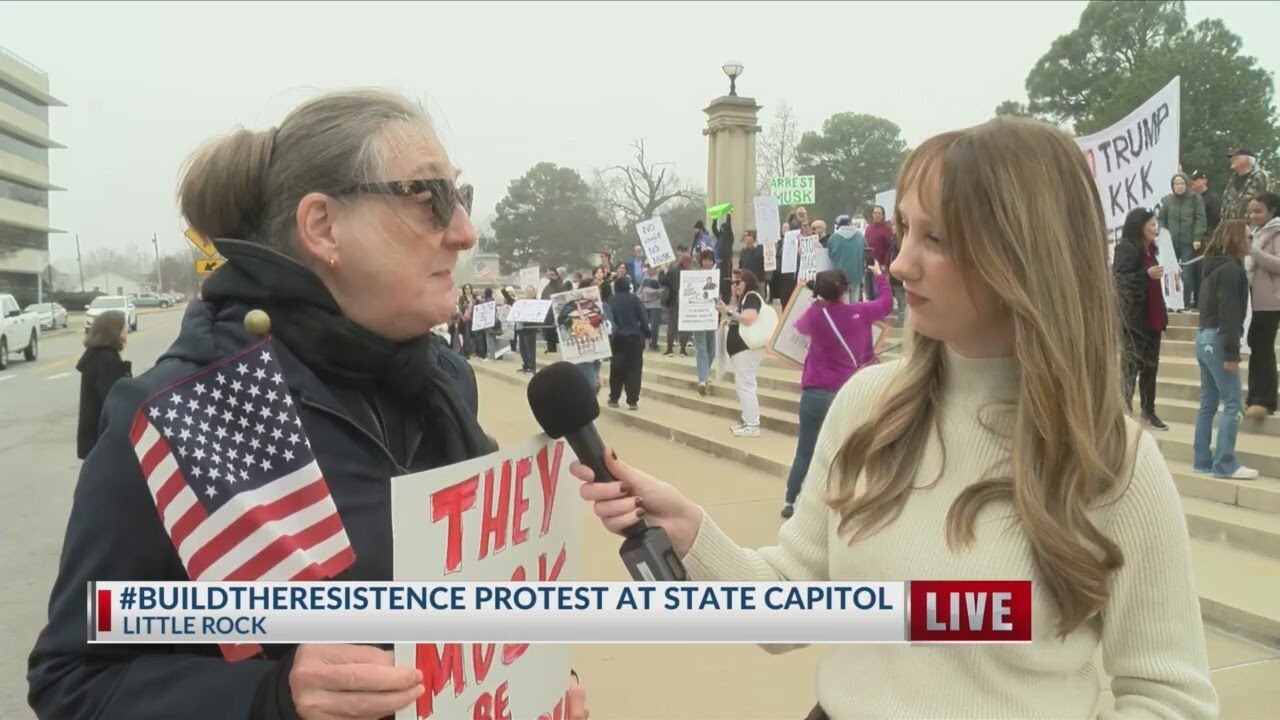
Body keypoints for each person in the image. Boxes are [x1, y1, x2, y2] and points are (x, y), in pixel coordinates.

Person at [574, 117, 1217, 720]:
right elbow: (794, 603)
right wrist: (693, 532)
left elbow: (1169, 698)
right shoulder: (868, 404)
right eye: (906, 230)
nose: (902, 263)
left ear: (1024, 255)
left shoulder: (1115, 463)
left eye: (935, 239)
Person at [29, 89, 588, 720]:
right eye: (429, 198)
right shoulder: (179, 416)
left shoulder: (446, 381)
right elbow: (73, 683)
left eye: (461, 197)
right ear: (322, 227)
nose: (464, 232)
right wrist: (268, 698)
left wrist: (536, 677)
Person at [781, 266, 893, 519]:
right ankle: (841, 501)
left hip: (815, 391)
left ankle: (791, 499)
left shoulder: (815, 314)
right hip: (847, 392)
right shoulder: (860, 312)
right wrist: (878, 275)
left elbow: (799, 327)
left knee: (805, 450)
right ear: (844, 290)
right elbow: (886, 304)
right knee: (847, 452)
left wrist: (816, 301)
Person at [1195, 220, 1259, 480]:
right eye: (1248, 237)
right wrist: (1232, 352)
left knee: (1208, 403)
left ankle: (1202, 460)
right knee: (1232, 404)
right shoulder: (1231, 270)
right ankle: (1225, 463)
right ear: (1236, 239)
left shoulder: (1211, 267)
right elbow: (1229, 312)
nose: (1251, 241)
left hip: (1204, 337)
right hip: (1219, 338)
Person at [1113, 207, 1169, 430]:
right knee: (1130, 368)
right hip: (1135, 319)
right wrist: (1146, 274)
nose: (1156, 229)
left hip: (1153, 316)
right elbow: (1120, 280)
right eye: (1152, 225)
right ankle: (1123, 411)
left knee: (1150, 367)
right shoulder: (1127, 248)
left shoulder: (1150, 250)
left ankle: (1149, 411)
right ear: (1140, 226)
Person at [75, 311, 132, 460]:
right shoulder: (108, 361)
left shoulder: (94, 355)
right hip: (103, 439)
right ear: (114, 332)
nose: (126, 333)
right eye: (123, 329)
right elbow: (114, 401)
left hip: (92, 437)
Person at [1244, 191, 1280, 419]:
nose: (1252, 215)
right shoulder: (1255, 232)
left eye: (1258, 211)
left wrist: (1253, 251)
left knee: (1263, 348)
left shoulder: (1277, 231)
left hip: (1271, 301)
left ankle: (1265, 399)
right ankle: (1254, 396)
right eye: (1250, 211)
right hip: (1253, 300)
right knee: (1256, 346)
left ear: (1272, 211)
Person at [716, 269, 764, 437]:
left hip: (746, 349)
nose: (734, 286)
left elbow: (749, 319)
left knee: (746, 385)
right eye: (732, 283)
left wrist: (729, 312)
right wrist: (728, 317)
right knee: (742, 385)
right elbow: (741, 318)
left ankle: (753, 425)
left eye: (738, 282)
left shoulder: (751, 297)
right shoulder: (744, 299)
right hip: (740, 349)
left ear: (747, 282)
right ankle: (747, 420)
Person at [1157, 172, 1206, 310]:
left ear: (1187, 184)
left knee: (1187, 273)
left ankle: (1185, 303)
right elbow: (1161, 219)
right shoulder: (1167, 200)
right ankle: (1169, 301)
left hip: (1187, 242)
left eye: (1182, 183)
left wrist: (1197, 237)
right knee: (1168, 272)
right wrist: (1162, 233)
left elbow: (1200, 218)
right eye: (1176, 184)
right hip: (1170, 243)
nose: (1179, 186)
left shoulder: (1195, 199)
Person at [605, 275, 649, 410]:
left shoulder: (611, 300)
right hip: (635, 338)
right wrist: (647, 334)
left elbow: (608, 320)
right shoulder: (635, 299)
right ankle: (632, 401)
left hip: (617, 339)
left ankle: (614, 398)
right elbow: (644, 318)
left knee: (616, 369)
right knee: (634, 370)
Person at [690, 250, 719, 395]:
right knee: (701, 347)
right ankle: (702, 379)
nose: (707, 262)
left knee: (711, 350)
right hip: (697, 316)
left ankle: (705, 373)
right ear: (701, 261)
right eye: (705, 259)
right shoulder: (694, 276)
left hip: (711, 316)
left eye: (710, 260)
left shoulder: (716, 276)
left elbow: (719, 296)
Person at [1222, 148, 1272, 221]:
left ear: (1248, 160)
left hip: (1251, 224)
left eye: (1236, 157)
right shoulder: (1233, 178)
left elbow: (1266, 203)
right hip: (1229, 225)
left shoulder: (1260, 176)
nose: (1231, 160)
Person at [826, 215, 866, 302]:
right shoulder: (860, 236)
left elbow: (830, 256)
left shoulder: (833, 238)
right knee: (854, 301)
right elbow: (865, 253)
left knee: (843, 302)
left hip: (840, 277)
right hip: (857, 275)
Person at [661, 249, 690, 356]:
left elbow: (663, 281)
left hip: (674, 300)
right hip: (686, 301)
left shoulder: (673, 270)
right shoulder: (692, 271)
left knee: (672, 325)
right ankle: (682, 350)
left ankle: (670, 349)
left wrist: (662, 271)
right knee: (684, 326)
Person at [540, 268, 569, 352]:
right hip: (548, 316)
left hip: (558, 315)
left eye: (552, 275)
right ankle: (551, 348)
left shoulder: (562, 286)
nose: (550, 277)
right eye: (548, 275)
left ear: (557, 275)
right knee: (549, 335)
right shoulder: (546, 287)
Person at [516, 285, 543, 374]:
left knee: (530, 349)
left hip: (530, 328)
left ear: (534, 293)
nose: (528, 294)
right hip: (522, 328)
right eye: (527, 292)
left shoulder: (537, 303)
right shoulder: (522, 302)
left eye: (530, 292)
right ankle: (526, 365)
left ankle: (532, 367)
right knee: (522, 349)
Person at [638, 262, 664, 351]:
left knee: (654, 326)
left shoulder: (660, 277)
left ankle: (653, 344)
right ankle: (642, 343)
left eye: (649, 267)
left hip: (655, 305)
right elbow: (641, 289)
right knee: (643, 324)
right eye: (647, 267)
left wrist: (652, 292)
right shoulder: (645, 277)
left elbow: (663, 290)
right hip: (644, 304)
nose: (648, 269)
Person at [712, 214, 735, 302]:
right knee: (720, 279)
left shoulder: (729, 237)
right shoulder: (719, 236)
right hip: (719, 261)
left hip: (727, 261)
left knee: (727, 279)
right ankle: (722, 296)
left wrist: (728, 215)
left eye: (723, 228)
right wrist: (715, 217)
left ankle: (727, 297)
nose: (721, 229)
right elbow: (714, 229)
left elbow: (729, 226)